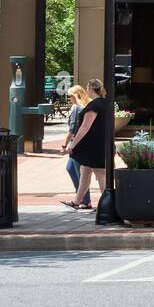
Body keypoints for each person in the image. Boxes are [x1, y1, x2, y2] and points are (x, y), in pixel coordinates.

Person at [63, 79, 108, 211]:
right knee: (85, 171)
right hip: (101, 142)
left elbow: (85, 127)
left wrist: (73, 144)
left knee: (100, 173)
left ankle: (107, 203)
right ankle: (77, 201)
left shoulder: (94, 105)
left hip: (93, 145)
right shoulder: (106, 103)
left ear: (90, 89)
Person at [60, 85, 89, 193]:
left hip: (77, 143)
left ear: (76, 95)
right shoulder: (85, 106)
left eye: (70, 96)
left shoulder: (76, 108)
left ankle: (84, 200)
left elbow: (72, 129)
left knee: (80, 173)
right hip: (82, 142)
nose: (69, 98)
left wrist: (64, 146)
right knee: (71, 168)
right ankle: (81, 197)